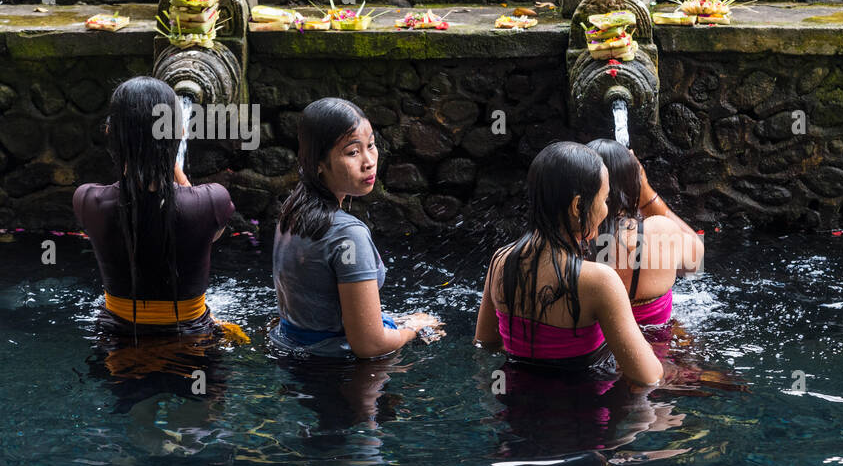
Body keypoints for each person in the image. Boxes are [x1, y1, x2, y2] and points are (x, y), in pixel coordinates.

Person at [474, 141, 663, 385]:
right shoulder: (599, 281)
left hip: (516, 414)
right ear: (577, 206)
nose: (607, 210)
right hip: (584, 416)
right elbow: (648, 376)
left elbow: (486, 342)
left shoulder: (501, 261)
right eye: (604, 199)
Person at [270, 98, 442, 358]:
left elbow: (321, 311)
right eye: (352, 152)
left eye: (371, 146)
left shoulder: (292, 211)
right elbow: (369, 346)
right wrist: (413, 329)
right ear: (318, 162)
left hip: (294, 354)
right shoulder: (347, 234)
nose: (369, 161)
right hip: (341, 374)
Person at [73, 75, 241, 342]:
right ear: (180, 132)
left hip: (117, 342)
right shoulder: (212, 201)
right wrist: (170, 166)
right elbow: (208, 232)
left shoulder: (88, 200)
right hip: (190, 342)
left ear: (110, 132)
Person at [585, 139, 704, 326]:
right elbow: (696, 262)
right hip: (658, 350)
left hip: (596, 351)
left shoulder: (568, 241)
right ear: (632, 184)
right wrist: (646, 193)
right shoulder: (658, 233)